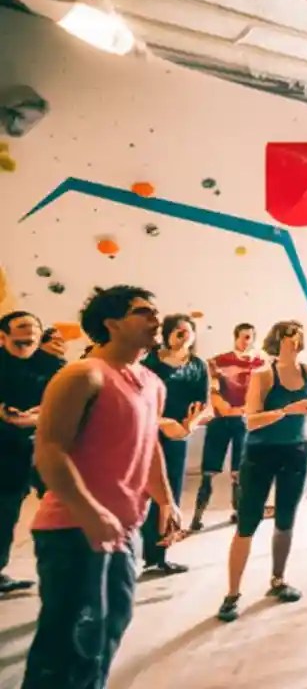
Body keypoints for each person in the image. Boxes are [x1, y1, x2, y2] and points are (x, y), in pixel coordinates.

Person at [22, 286, 180, 688]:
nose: (155, 319)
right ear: (110, 324)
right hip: (72, 533)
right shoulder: (83, 375)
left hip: (122, 532)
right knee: (66, 646)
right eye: (143, 312)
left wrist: (166, 500)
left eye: (155, 311)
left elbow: (150, 444)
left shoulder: (151, 382)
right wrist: (91, 512)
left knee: (108, 629)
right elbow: (49, 452)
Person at [217, 320, 307, 622]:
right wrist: (289, 410)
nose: (296, 342)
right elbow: (251, 421)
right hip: (261, 453)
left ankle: (278, 580)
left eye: (300, 337)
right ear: (278, 341)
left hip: (297, 450)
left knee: (286, 519)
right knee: (247, 522)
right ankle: (232, 593)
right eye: (291, 337)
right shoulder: (264, 374)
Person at [0, 311, 65, 593]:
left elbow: (66, 401)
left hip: (44, 445)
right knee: (5, 511)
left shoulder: (54, 365)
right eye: (22, 327)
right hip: (4, 450)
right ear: (3, 337)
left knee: (61, 506)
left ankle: (64, 573)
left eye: (34, 327)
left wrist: (39, 415)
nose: (29, 333)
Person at [138, 314, 209, 574]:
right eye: (177, 331)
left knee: (169, 494)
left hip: (177, 436)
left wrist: (189, 426)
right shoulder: (149, 362)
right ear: (166, 334)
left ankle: (157, 555)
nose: (183, 335)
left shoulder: (198, 365)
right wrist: (162, 421)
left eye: (187, 331)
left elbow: (203, 403)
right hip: (146, 431)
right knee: (140, 493)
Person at [191, 323, 264, 531]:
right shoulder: (219, 361)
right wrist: (219, 404)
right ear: (235, 337)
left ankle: (238, 512)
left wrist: (241, 409)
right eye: (243, 337)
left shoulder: (260, 365)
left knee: (239, 472)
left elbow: (259, 395)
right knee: (208, 472)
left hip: (243, 420)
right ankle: (197, 516)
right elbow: (213, 387)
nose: (246, 341)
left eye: (250, 337)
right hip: (221, 419)